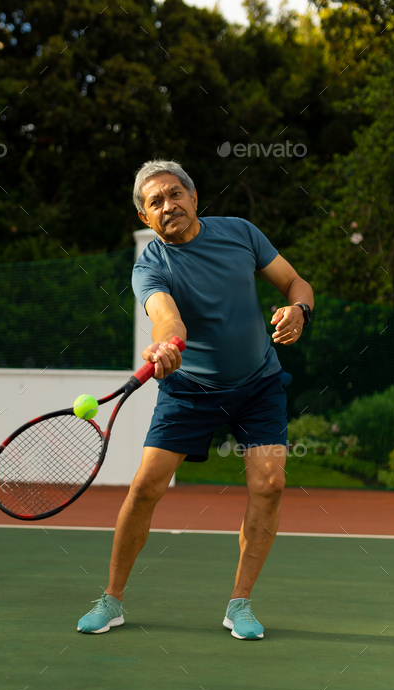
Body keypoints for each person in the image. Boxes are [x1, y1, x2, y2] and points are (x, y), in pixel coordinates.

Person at [77, 159, 314, 640]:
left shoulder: (242, 233)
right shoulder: (150, 265)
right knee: (145, 487)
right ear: (146, 218)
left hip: (258, 385)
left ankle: (240, 604)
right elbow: (167, 319)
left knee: (269, 484)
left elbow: (295, 281)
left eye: (174, 194)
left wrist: (299, 309)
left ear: (193, 195)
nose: (168, 206)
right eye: (154, 203)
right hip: (189, 391)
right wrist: (166, 344)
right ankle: (111, 598)